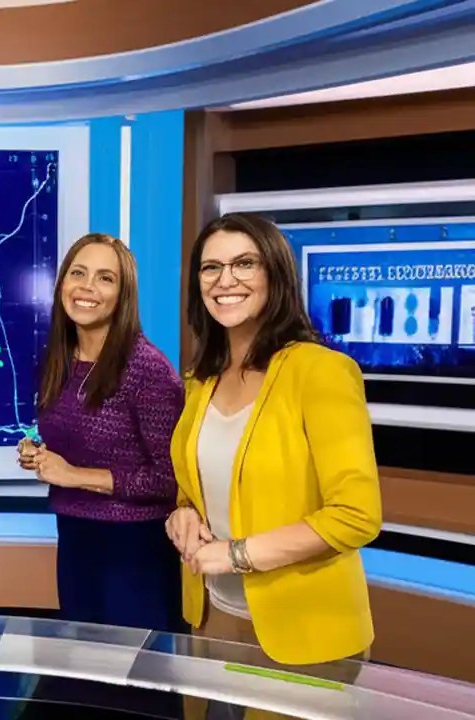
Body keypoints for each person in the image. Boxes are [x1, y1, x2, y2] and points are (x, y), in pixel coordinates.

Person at [166, 212, 381, 666]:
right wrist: (182, 515)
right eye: (211, 267)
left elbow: (356, 515)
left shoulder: (321, 372)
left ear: (275, 274)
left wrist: (238, 554)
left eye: (245, 263)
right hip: (212, 616)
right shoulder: (200, 381)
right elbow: (195, 487)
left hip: (306, 628)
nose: (226, 279)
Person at [17, 233, 184, 632]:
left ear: (123, 295)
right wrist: (38, 453)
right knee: (85, 673)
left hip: (133, 550)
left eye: (105, 278)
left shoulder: (148, 370)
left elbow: (170, 479)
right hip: (76, 537)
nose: (87, 287)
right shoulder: (58, 359)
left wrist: (73, 475)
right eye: (78, 273)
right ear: (62, 284)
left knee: (132, 684)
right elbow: (77, 442)